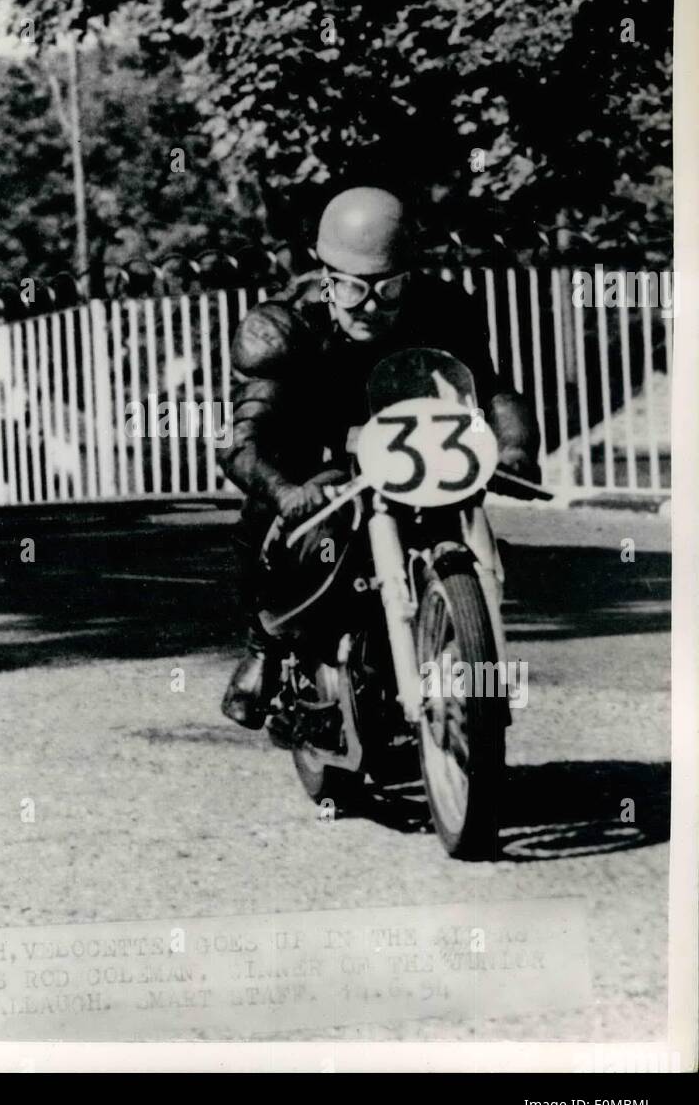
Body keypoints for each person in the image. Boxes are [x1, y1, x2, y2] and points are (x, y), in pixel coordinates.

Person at [218, 186, 540, 729]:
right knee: (264, 522)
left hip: (405, 446)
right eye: (349, 287)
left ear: (409, 274)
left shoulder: (444, 307)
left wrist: (515, 447)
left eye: (388, 287)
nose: (370, 304)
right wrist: (284, 490)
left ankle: (461, 636)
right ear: (324, 273)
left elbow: (490, 388)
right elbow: (241, 440)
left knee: (459, 519)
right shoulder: (279, 329)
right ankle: (264, 647)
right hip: (310, 458)